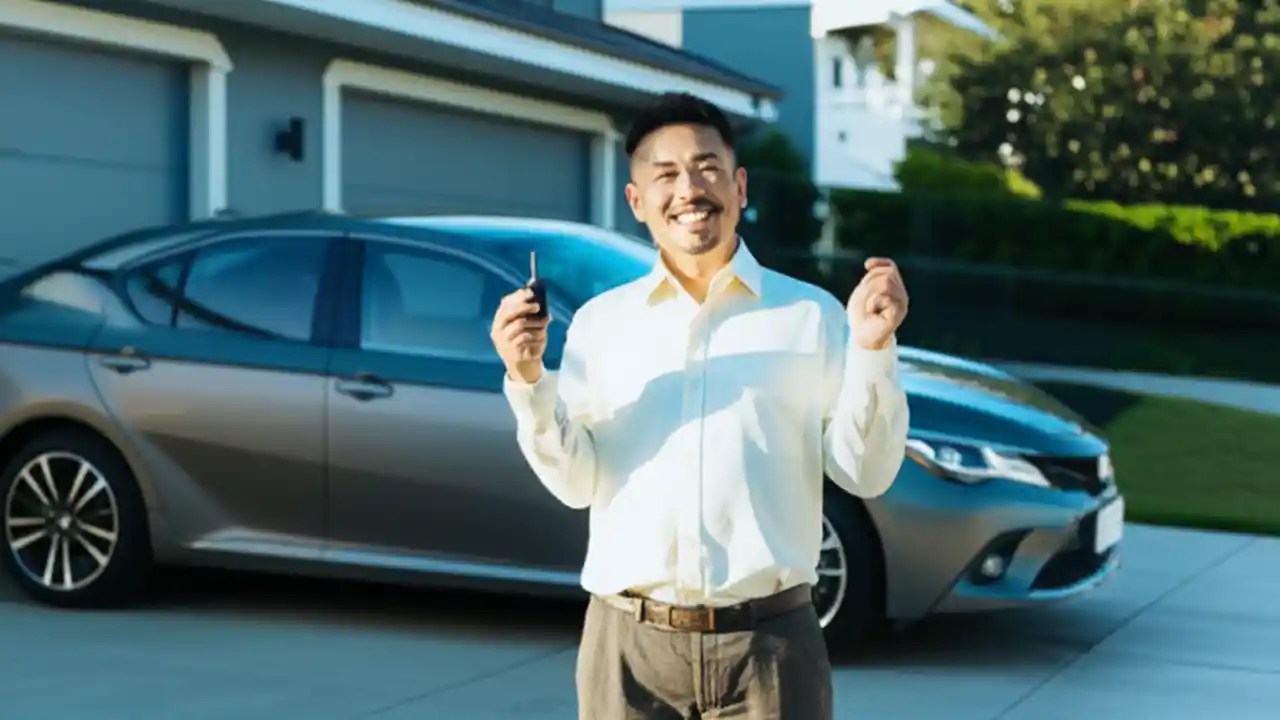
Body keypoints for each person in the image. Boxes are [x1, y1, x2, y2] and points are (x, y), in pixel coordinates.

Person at [489, 92, 910, 719]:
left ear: (739, 186)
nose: (690, 188)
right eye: (665, 174)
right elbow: (575, 484)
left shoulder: (811, 316)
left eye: (707, 167)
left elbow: (864, 472)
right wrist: (527, 379)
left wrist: (874, 351)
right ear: (637, 202)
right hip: (628, 655)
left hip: (771, 650)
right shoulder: (603, 325)